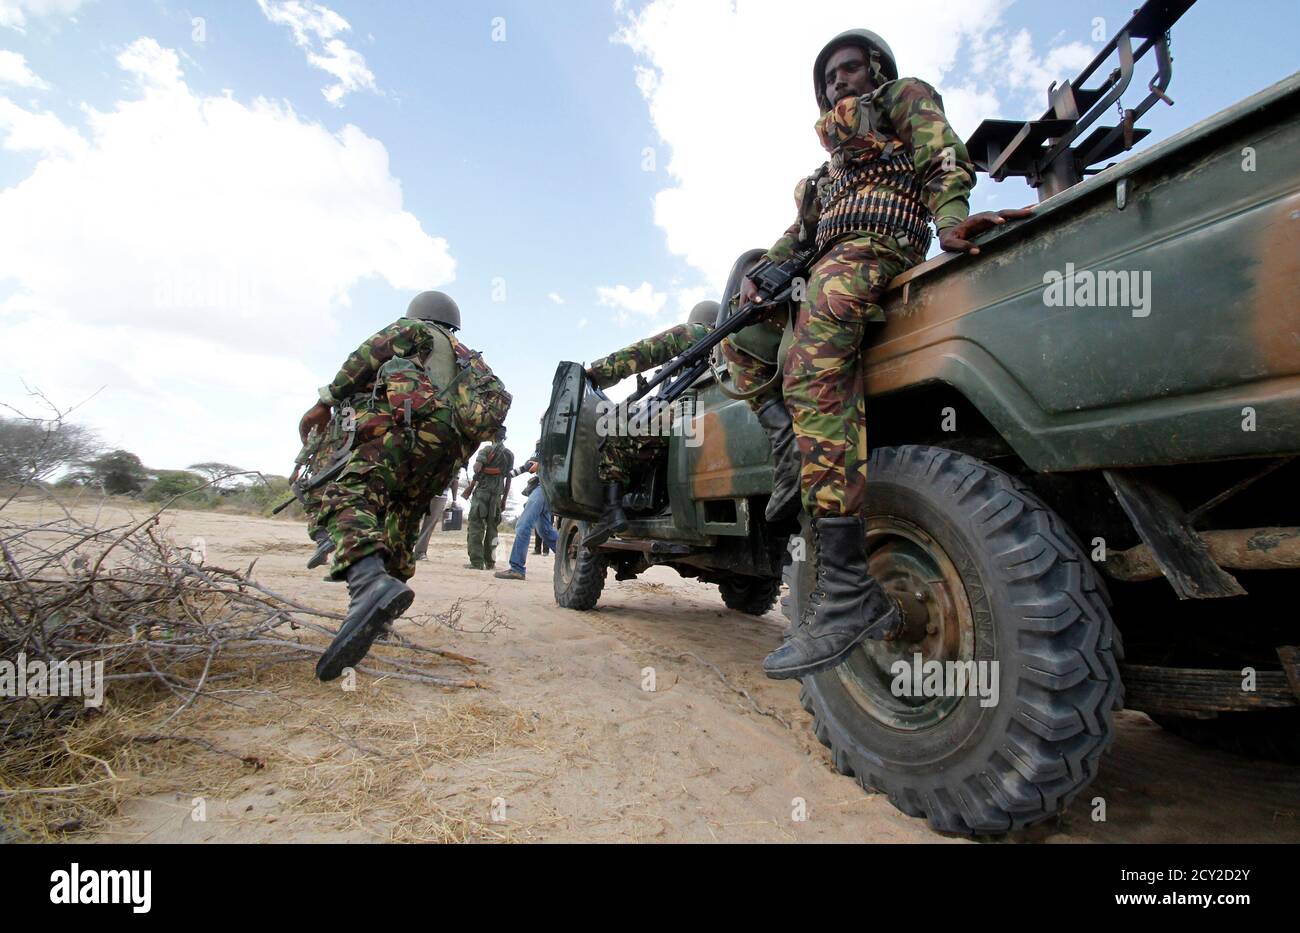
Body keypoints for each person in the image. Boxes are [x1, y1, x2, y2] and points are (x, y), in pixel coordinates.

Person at [722, 29, 1031, 681]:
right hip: (826, 260)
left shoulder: (901, 100)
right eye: (829, 76)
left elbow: (942, 154)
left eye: (849, 68)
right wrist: (762, 278)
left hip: (880, 245)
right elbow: (794, 239)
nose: (839, 81)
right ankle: (788, 446)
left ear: (877, 69)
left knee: (812, 349)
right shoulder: (821, 176)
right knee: (737, 340)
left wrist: (950, 218)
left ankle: (846, 590)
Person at [297, 290, 507, 680]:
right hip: (445, 454)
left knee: (347, 495)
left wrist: (326, 400)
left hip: (405, 433)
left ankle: (368, 584)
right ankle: (379, 617)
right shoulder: (472, 362)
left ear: (418, 314)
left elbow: (369, 354)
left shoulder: (414, 331)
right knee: (403, 523)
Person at [581, 300, 720, 547]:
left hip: (692, 409)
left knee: (615, 431)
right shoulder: (732, 344)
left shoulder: (699, 334)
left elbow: (645, 351)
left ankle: (611, 510)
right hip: (712, 415)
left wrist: (598, 372)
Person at [493, 444, 557, 581]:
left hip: (546, 487)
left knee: (523, 525)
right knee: (545, 530)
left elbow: (567, 462)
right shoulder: (544, 442)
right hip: (545, 487)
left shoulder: (558, 438)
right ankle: (571, 557)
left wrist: (541, 466)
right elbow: (530, 464)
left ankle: (517, 568)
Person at [463, 428, 514, 570]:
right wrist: (503, 500)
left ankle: (477, 562)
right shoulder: (509, 454)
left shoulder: (486, 450)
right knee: (492, 529)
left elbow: (477, 468)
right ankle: (490, 562)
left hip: (482, 493)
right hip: (497, 495)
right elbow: (508, 478)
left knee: (476, 527)